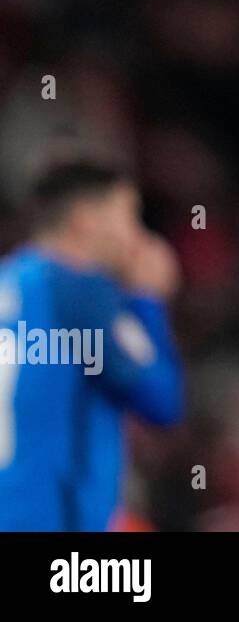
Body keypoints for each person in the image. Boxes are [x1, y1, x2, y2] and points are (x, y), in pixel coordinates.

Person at [0, 159, 184, 530]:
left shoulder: (9, 282)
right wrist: (148, 301)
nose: (137, 237)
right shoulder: (81, 291)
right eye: (129, 217)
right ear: (86, 219)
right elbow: (162, 401)